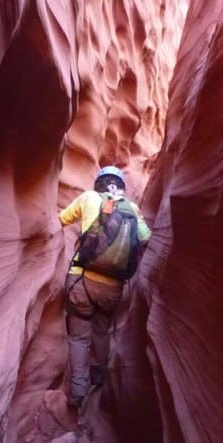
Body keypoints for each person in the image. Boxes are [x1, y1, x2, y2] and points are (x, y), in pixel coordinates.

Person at [58, 165, 151, 408]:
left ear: (99, 183)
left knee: (79, 337)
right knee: (101, 331)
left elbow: (62, 219)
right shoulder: (131, 208)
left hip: (82, 280)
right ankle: (98, 377)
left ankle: (77, 391)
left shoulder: (89, 198)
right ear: (120, 186)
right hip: (113, 288)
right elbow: (145, 237)